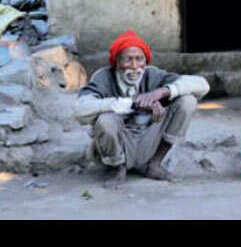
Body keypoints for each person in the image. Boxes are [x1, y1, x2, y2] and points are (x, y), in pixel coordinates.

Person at [74, 30, 209, 188]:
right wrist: (132, 104)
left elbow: (202, 85)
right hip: (121, 142)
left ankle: (155, 165)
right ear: (116, 61)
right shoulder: (103, 77)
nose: (134, 66)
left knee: (187, 100)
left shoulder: (153, 74)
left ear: (146, 61)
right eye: (127, 60)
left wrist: (163, 91)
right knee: (105, 120)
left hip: (150, 139)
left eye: (139, 59)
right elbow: (79, 109)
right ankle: (117, 168)